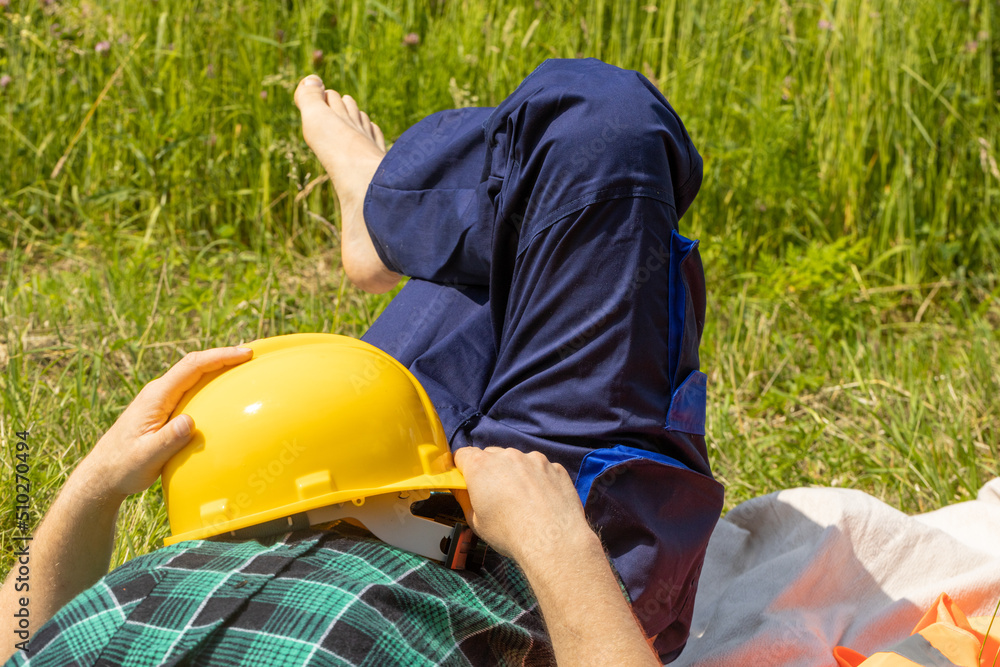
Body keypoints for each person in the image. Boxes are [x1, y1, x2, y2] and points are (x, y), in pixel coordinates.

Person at [0, 58, 722, 665]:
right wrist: (558, 542)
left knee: (546, 205)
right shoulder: (548, 546)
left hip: (300, 483)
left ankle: (391, 210)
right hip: (521, 564)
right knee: (600, 130)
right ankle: (388, 205)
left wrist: (94, 486)